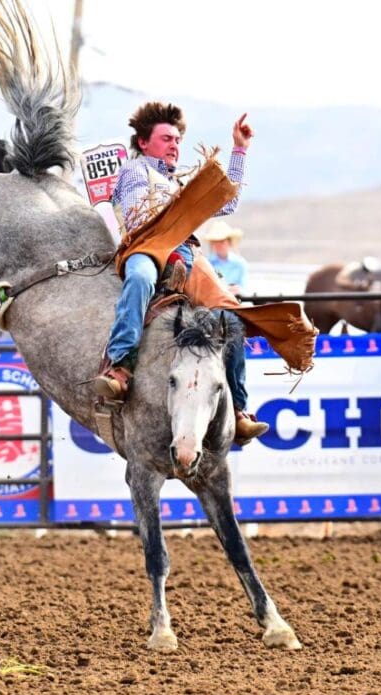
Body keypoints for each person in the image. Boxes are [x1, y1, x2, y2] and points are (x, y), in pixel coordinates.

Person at [93, 101, 269, 445]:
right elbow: (137, 215)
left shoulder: (177, 182)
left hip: (186, 253)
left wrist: (238, 150)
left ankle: (239, 410)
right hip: (148, 245)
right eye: (166, 139)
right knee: (141, 278)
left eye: (177, 139)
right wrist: (185, 207)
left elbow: (227, 202)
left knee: (232, 319)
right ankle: (120, 366)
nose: (175, 145)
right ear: (144, 142)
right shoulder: (135, 172)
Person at [203, 220, 248, 295]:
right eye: (215, 241)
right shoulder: (206, 264)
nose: (218, 245)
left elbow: (244, 288)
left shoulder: (240, 264)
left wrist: (238, 290)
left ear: (229, 242)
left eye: (222, 241)